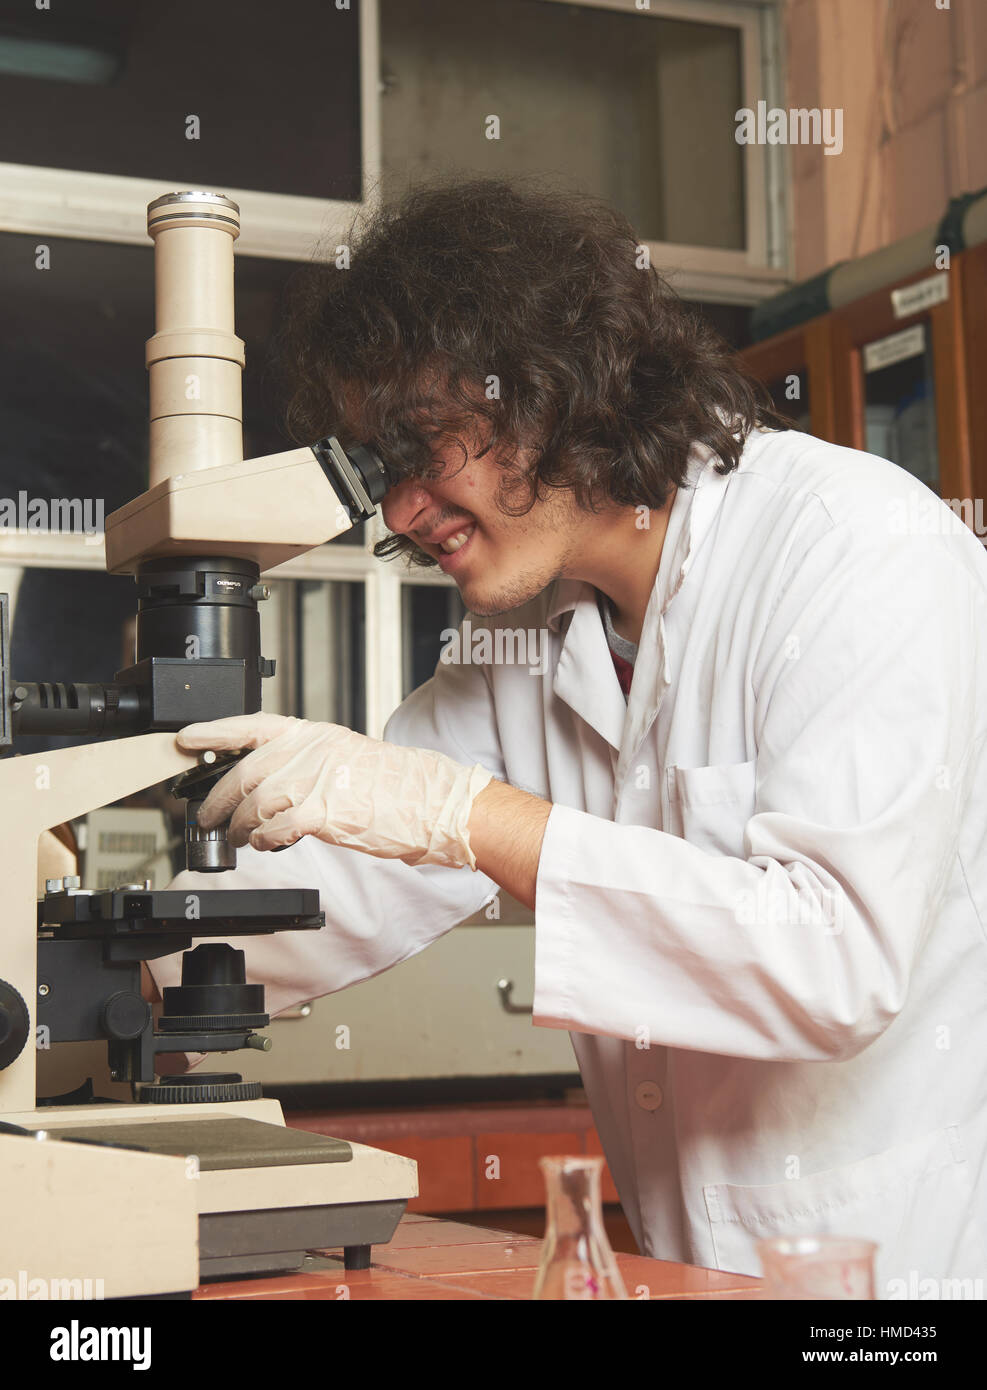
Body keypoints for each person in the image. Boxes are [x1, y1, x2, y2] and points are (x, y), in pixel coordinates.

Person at [148, 179, 987, 1291]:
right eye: (380, 468)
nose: (399, 511)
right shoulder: (530, 637)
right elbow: (342, 884)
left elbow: (834, 959)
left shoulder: (861, 552)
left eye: (422, 449)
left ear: (551, 389)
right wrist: (96, 949)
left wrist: (473, 818)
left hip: (899, 1275)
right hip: (692, 1269)